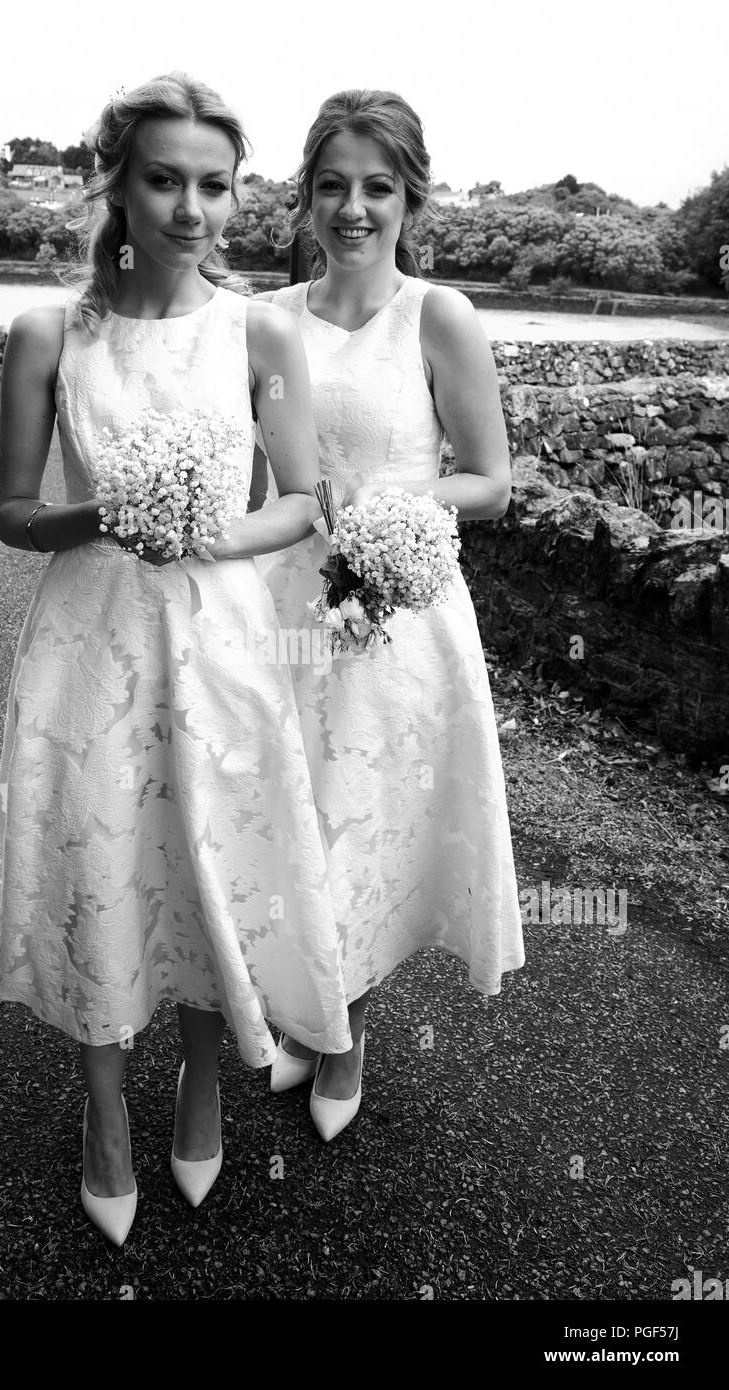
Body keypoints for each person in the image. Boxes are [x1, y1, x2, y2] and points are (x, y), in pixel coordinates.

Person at [0, 72, 352, 1243]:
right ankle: (102, 1118)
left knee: (204, 858)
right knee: (98, 861)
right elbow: (12, 513)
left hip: (219, 636)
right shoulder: (50, 334)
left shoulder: (262, 329)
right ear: (116, 185)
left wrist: (203, 530)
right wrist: (104, 516)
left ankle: (200, 1084)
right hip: (86, 639)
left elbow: (302, 500)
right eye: (163, 180)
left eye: (214, 184)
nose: (191, 208)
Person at [254, 89, 525, 1141]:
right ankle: (303, 1004)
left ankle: (343, 1034)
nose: (351, 208)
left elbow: (490, 482)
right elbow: (254, 477)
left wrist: (388, 512)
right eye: (331, 186)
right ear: (306, 196)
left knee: (359, 821)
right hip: (285, 604)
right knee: (288, 814)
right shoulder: (268, 319)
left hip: (396, 610)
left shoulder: (437, 315)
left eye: (375, 187)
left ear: (409, 195)